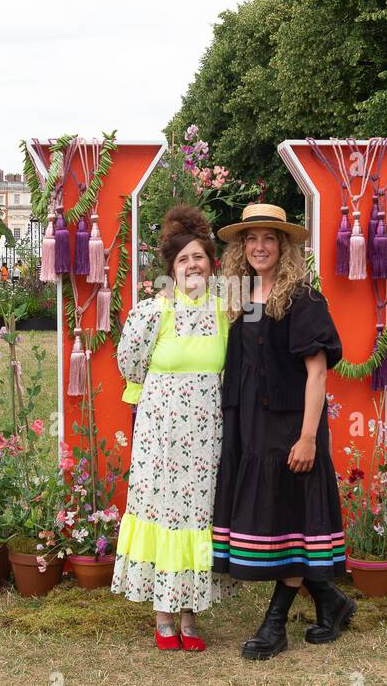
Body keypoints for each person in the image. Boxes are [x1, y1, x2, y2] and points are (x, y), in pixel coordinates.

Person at [212, 203, 354, 660]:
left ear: (284, 245)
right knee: (277, 520)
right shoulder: (241, 297)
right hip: (249, 427)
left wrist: (309, 436)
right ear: (241, 246)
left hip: (291, 426)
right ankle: (332, 602)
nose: (259, 246)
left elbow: (317, 374)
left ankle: (275, 626)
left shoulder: (303, 298)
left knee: (292, 522)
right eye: (250, 239)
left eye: (269, 238)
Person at [113, 205, 231, 651]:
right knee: (164, 515)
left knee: (197, 518)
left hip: (206, 437)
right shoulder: (152, 311)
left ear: (211, 263)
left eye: (199, 257)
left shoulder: (224, 311)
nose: (192, 265)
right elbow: (129, 362)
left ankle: (190, 616)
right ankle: (163, 617)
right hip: (160, 435)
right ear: (171, 269)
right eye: (183, 260)